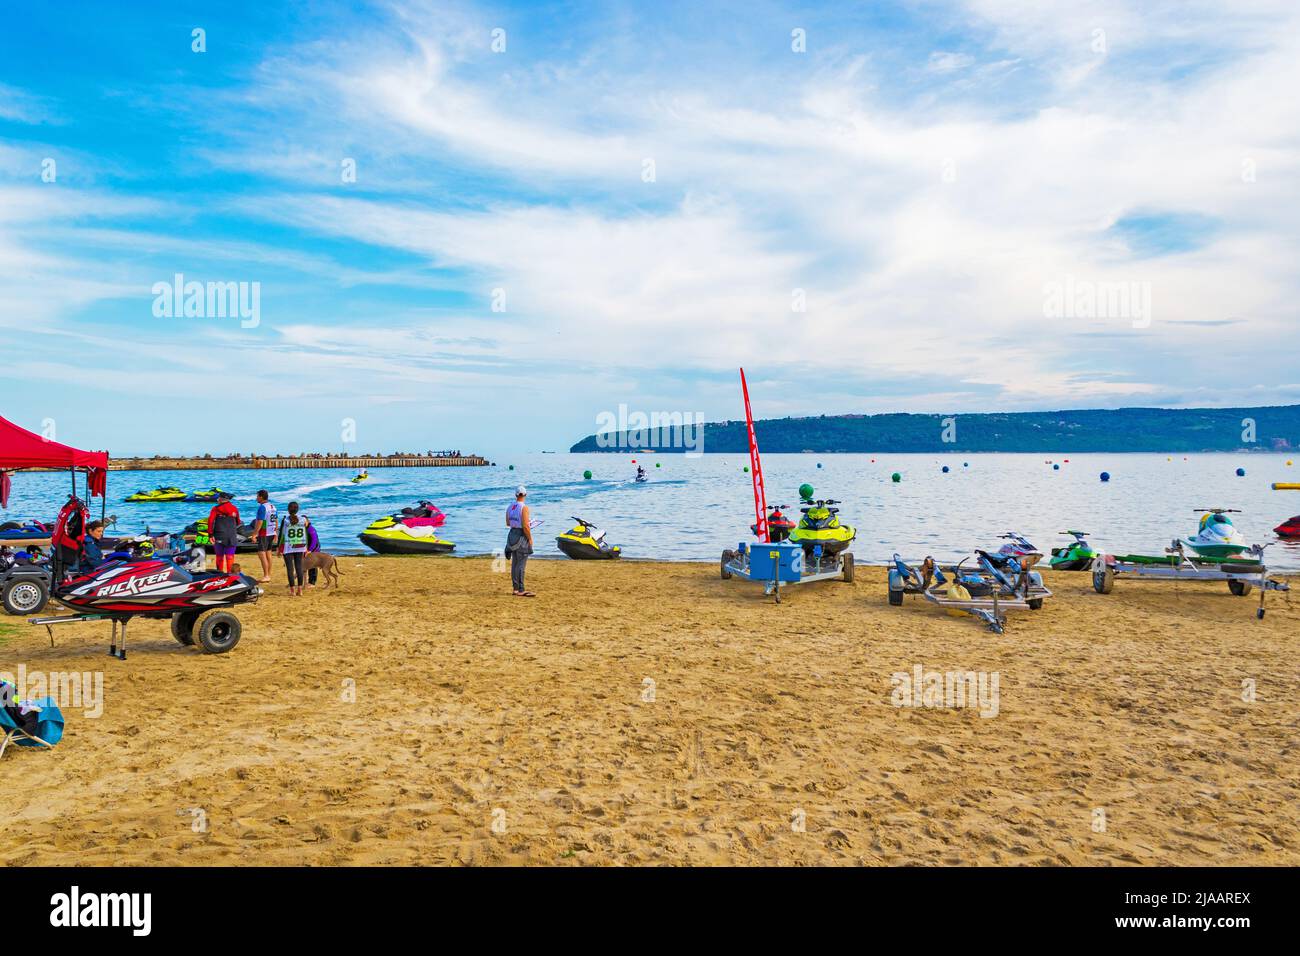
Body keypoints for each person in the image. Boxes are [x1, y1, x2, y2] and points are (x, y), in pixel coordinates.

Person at [505, 485, 534, 597]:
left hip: (512, 535)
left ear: (516, 495)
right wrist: (530, 539)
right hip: (521, 536)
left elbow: (508, 523)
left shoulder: (510, 507)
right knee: (521, 563)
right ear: (525, 495)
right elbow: (526, 526)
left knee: (515, 563)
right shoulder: (524, 508)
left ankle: (515, 588)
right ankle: (521, 589)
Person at [276, 501, 309, 596]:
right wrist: (306, 547)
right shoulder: (303, 519)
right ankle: (300, 590)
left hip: (288, 547)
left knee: (290, 569)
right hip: (300, 546)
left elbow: (281, 535)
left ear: (288, 510)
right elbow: (305, 533)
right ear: (297, 509)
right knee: (299, 568)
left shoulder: (285, 520)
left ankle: (292, 591)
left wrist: (279, 548)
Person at [206, 491, 241, 573]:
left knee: (219, 556)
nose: (217, 499)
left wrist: (210, 535)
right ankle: (230, 575)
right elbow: (238, 522)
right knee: (230, 557)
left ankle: (220, 574)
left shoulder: (215, 509)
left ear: (222, 499)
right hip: (231, 536)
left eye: (218, 498)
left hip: (219, 535)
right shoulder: (234, 508)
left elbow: (210, 522)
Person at [251, 489, 277, 583]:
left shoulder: (262, 507)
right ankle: (268, 575)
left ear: (261, 497)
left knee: (262, 554)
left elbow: (260, 521)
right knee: (268, 553)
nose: (256, 498)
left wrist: (254, 534)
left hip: (264, 533)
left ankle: (266, 575)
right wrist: (275, 532)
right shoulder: (273, 506)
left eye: (257, 496)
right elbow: (276, 520)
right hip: (271, 531)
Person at [305, 516, 321, 587]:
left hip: (314, 549)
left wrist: (310, 550)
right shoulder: (303, 529)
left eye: (304, 521)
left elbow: (314, 541)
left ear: (308, 521)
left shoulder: (311, 529)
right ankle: (306, 581)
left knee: (313, 566)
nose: (303, 523)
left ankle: (312, 583)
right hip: (308, 549)